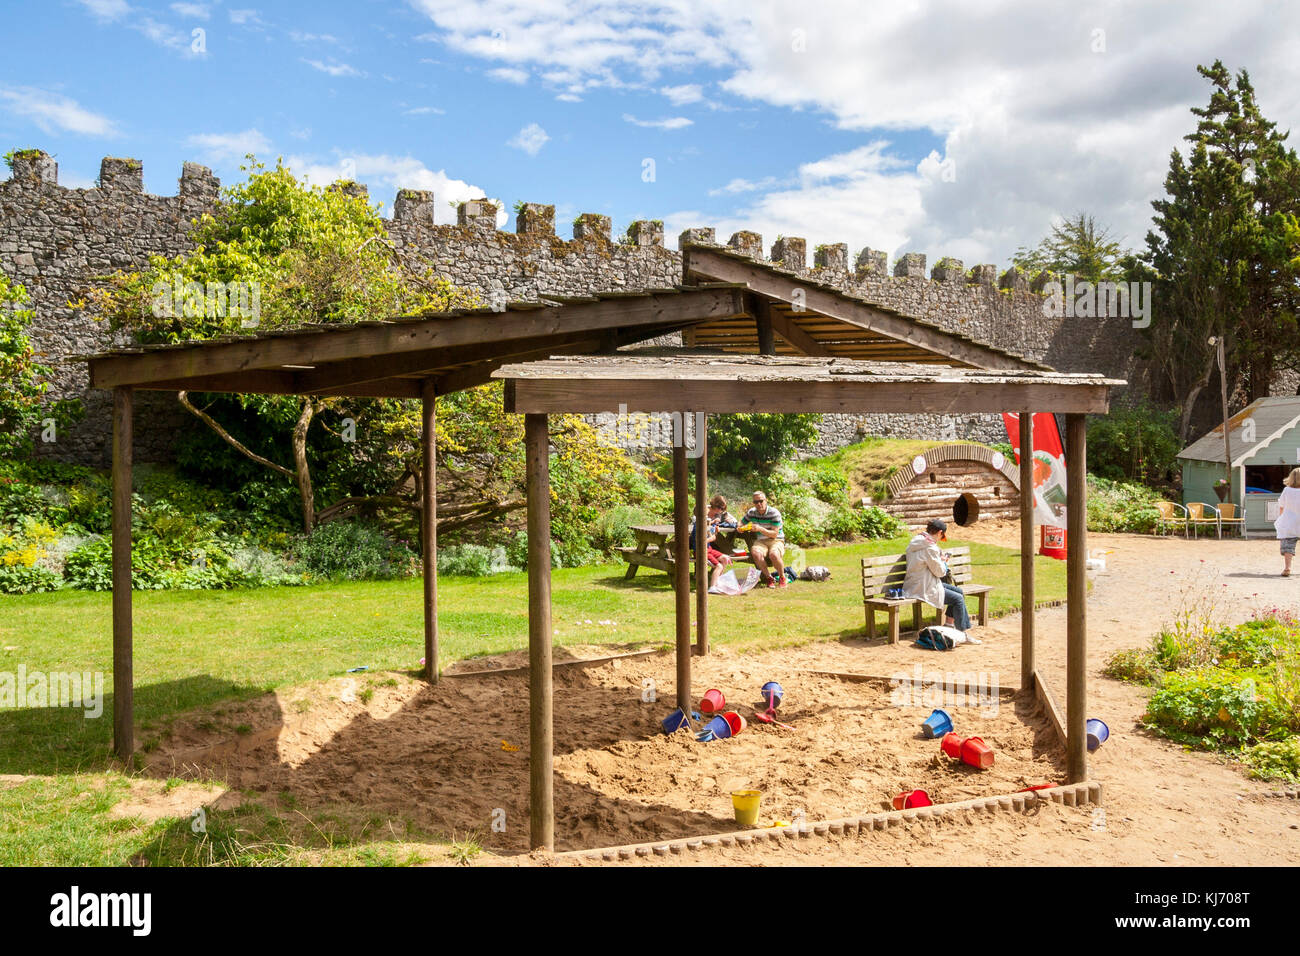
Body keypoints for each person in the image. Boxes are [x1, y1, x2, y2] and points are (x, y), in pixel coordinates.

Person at [902, 518, 971, 633]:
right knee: (958, 599)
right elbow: (940, 572)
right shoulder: (930, 547)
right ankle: (962, 632)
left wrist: (939, 559)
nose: (940, 539)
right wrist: (944, 562)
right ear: (939, 533)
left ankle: (949, 625)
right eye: (942, 536)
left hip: (915, 583)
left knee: (959, 592)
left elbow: (926, 563)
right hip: (923, 587)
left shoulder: (918, 540)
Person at [689, 495, 740, 588]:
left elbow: (712, 535)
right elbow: (701, 541)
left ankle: (718, 582)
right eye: (720, 508)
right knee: (719, 566)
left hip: (708, 548)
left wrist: (715, 531)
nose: (720, 511)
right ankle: (713, 587)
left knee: (726, 558)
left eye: (722, 509)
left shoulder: (710, 522)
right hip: (701, 550)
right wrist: (712, 537)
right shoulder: (699, 524)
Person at [743, 490, 787, 588]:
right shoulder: (752, 512)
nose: (759, 504)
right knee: (755, 553)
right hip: (761, 541)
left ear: (766, 501)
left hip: (776, 540)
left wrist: (759, 529)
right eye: (756, 502)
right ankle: (768, 578)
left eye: (761, 501)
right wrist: (740, 528)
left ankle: (782, 577)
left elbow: (774, 534)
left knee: (774, 554)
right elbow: (741, 522)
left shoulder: (774, 513)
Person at [1275, 467, 1300, 576]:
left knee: (1288, 546)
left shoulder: (1287, 490)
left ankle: (1287, 568)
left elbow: (1281, 506)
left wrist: (1281, 517)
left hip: (1290, 521)